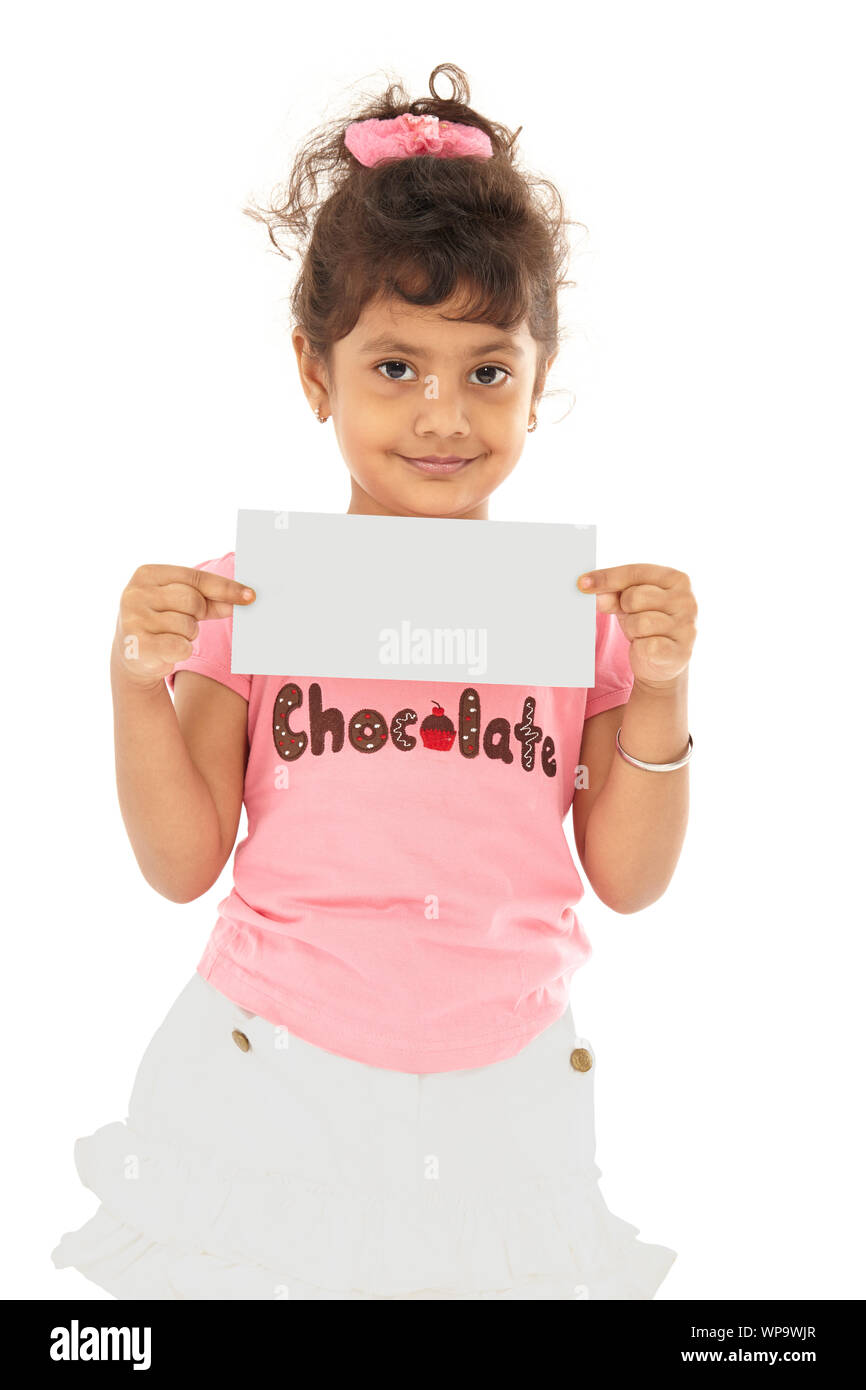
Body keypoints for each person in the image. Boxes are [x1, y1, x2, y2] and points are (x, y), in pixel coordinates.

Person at [51, 61, 697, 1300]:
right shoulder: (251, 599)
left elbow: (628, 878)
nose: (442, 414)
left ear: (537, 375)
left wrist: (659, 693)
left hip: (504, 1098)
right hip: (267, 1073)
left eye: (486, 371)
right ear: (315, 374)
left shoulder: (580, 627)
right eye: (394, 368)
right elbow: (183, 859)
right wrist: (138, 683)